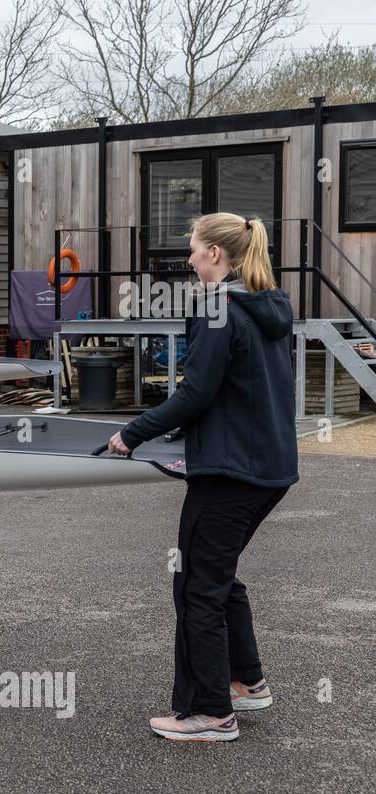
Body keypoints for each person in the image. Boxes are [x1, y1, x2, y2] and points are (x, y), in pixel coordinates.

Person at [106, 214, 298, 742]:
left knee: (197, 588)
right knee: (218, 577)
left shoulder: (217, 308)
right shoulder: (270, 305)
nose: (188, 260)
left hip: (230, 474)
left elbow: (197, 392)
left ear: (216, 254)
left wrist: (133, 433)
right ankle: (246, 682)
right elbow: (242, 389)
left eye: (192, 250)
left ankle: (209, 713)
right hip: (269, 468)